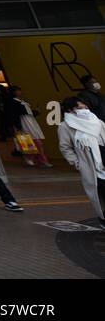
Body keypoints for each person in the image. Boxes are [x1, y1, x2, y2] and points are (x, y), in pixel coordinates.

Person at [58, 96, 105, 225]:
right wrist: (77, 163)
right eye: (79, 108)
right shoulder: (65, 126)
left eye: (86, 107)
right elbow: (65, 147)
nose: (84, 110)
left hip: (103, 161)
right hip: (90, 166)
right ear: (70, 110)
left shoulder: (96, 121)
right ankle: (103, 219)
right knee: (99, 193)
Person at [8, 86, 52, 168]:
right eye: (17, 90)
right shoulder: (12, 102)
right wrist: (16, 127)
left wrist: (35, 112)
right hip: (24, 123)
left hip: (30, 122)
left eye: (19, 90)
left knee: (36, 142)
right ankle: (38, 160)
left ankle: (39, 160)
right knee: (30, 142)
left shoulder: (22, 101)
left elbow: (29, 112)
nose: (19, 92)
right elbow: (14, 115)